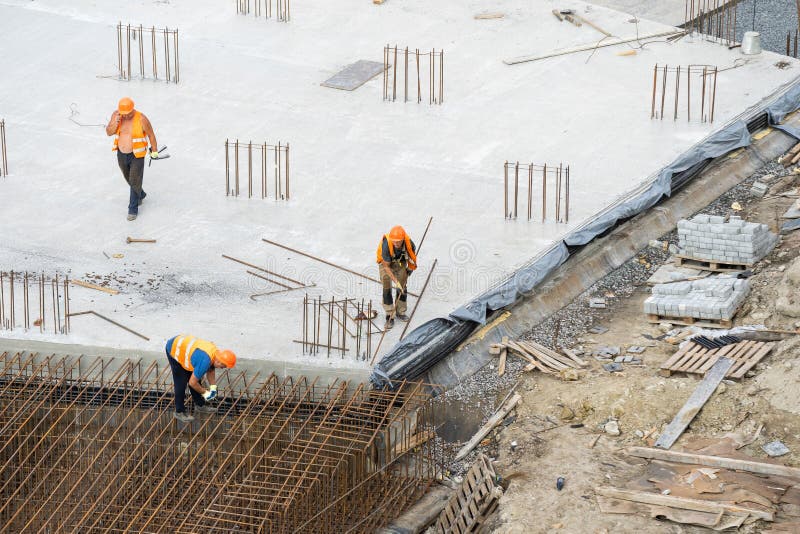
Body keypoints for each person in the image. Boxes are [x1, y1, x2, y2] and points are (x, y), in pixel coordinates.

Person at [105, 97, 159, 221]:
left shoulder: (141, 119)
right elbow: (109, 132)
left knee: (134, 179)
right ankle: (141, 194)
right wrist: (115, 122)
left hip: (137, 155)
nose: (126, 116)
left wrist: (154, 150)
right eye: (124, 114)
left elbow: (151, 134)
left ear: (132, 109)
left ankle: (133, 208)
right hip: (121, 154)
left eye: (128, 114)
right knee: (128, 178)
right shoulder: (116, 115)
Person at [165, 334, 237, 423]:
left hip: (187, 350)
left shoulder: (215, 354)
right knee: (181, 381)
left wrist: (213, 389)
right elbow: (192, 383)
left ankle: (200, 405)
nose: (223, 368)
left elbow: (211, 371)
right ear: (219, 361)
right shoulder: (205, 361)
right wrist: (206, 393)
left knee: (195, 377)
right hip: (174, 348)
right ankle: (179, 411)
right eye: (223, 366)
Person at [376, 225, 417, 329]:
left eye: (398, 241)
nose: (396, 243)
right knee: (386, 285)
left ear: (403, 239)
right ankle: (390, 315)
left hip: (400, 262)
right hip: (385, 264)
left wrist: (410, 269)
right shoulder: (387, 245)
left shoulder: (409, 244)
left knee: (402, 286)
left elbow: (412, 257)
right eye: (394, 241)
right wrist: (395, 281)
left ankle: (400, 312)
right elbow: (386, 266)